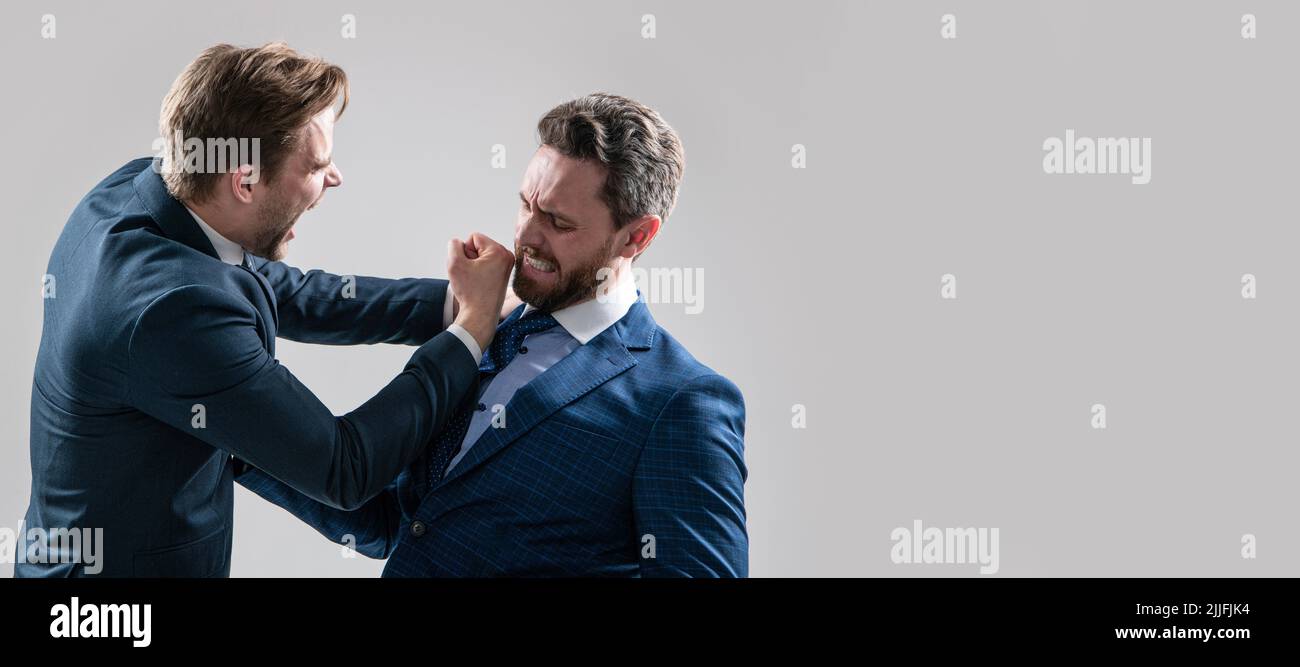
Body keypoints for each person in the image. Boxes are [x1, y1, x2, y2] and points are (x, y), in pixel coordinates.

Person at [18, 43, 513, 577]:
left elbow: (284, 291)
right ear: (244, 180)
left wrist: (452, 301)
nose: (334, 177)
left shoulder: (141, 191)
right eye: (318, 165)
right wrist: (468, 333)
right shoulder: (174, 311)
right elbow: (345, 467)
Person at [239, 93, 749, 577]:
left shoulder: (682, 402)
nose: (526, 235)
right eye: (526, 203)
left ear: (637, 236)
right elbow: (400, 524)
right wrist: (232, 435)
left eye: (558, 222)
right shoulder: (488, 328)